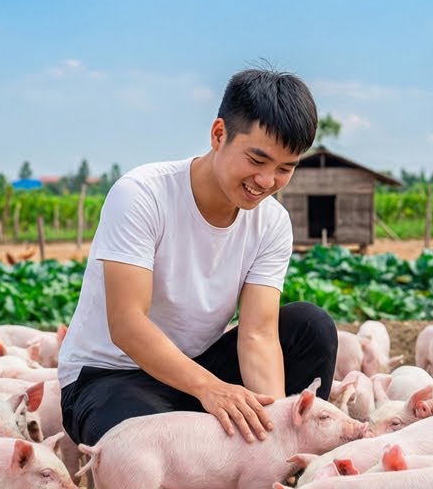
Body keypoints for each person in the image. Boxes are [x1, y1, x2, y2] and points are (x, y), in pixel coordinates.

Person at [58, 67, 338, 451]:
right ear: (219, 134)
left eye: (285, 168)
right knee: (142, 446)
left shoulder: (272, 223)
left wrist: (273, 426)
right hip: (111, 378)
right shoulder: (142, 195)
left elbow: (257, 334)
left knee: (310, 326)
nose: (267, 181)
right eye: (257, 160)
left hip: (197, 371)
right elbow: (127, 323)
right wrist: (211, 389)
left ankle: (283, 470)